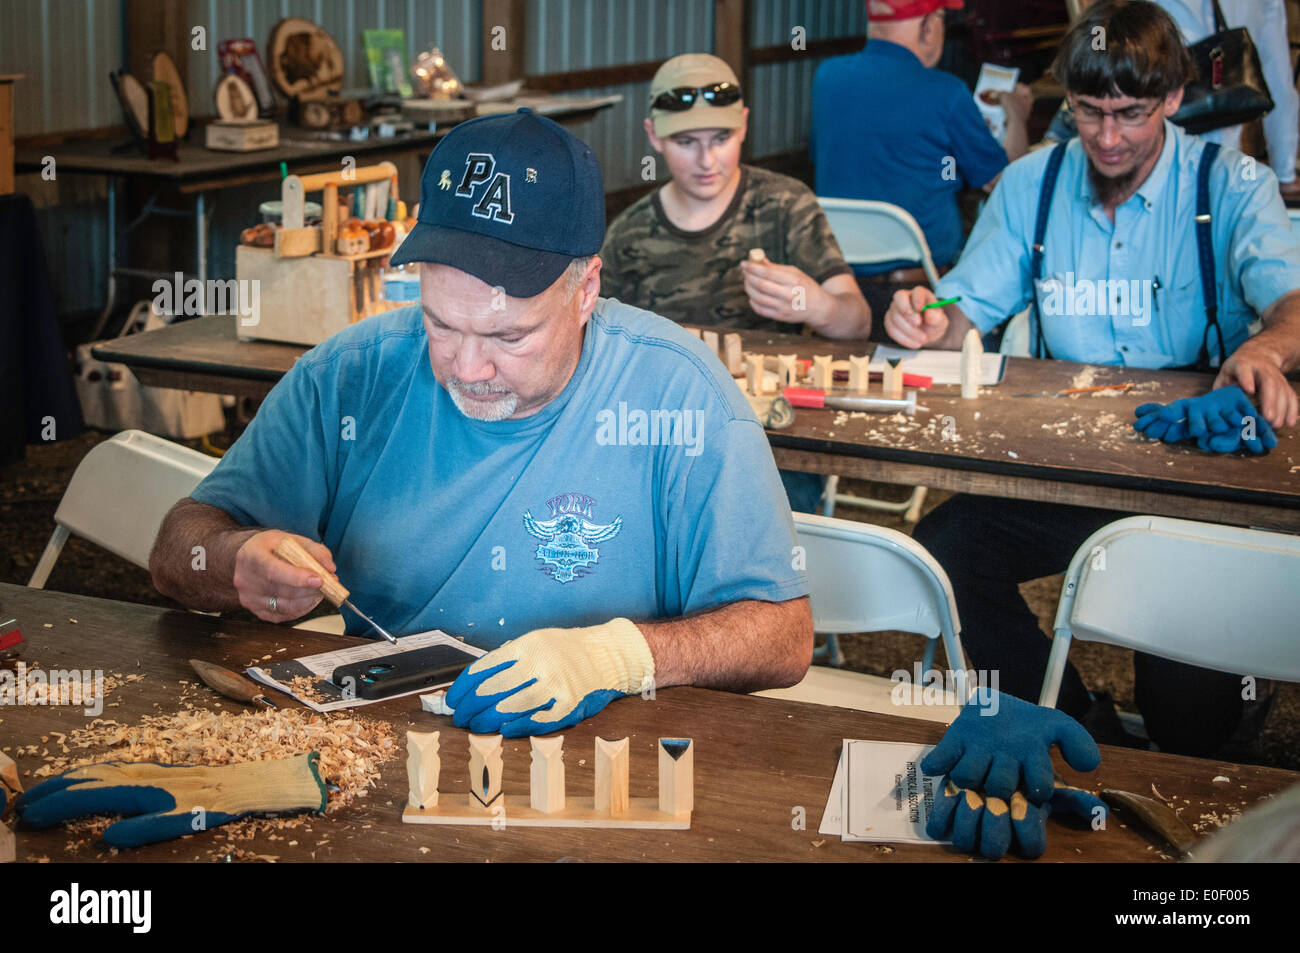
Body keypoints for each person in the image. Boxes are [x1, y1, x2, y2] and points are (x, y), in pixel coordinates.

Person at [149, 109, 813, 738]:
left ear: (584, 291)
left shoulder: (678, 397)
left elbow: (783, 635)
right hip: (389, 750)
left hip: (613, 763)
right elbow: (179, 547)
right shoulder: (351, 375)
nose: (466, 366)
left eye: (509, 334)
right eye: (439, 322)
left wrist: (616, 655)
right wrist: (236, 562)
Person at [882, 0, 1300, 755]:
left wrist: (1268, 348)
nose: (1107, 139)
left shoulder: (1231, 185)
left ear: (1174, 98)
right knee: (947, 548)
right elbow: (963, 310)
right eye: (1087, 112)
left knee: (1184, 719)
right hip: (1070, 475)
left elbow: (1292, 301)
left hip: (1190, 484)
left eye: (1131, 114)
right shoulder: (1031, 184)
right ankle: (1067, 715)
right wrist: (924, 318)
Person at [600, 53, 869, 512]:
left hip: (775, 441)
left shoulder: (785, 206)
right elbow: (598, 353)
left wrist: (816, 304)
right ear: (653, 136)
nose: (707, 160)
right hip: (667, 434)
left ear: (744, 125)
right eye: (686, 141)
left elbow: (858, 323)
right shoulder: (628, 235)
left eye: (721, 138)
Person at [811, 0, 1034, 326]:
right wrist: (1017, 115)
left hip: (836, 293)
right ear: (929, 25)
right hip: (918, 299)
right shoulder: (947, 93)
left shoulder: (826, 78)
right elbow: (1007, 184)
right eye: (942, 18)